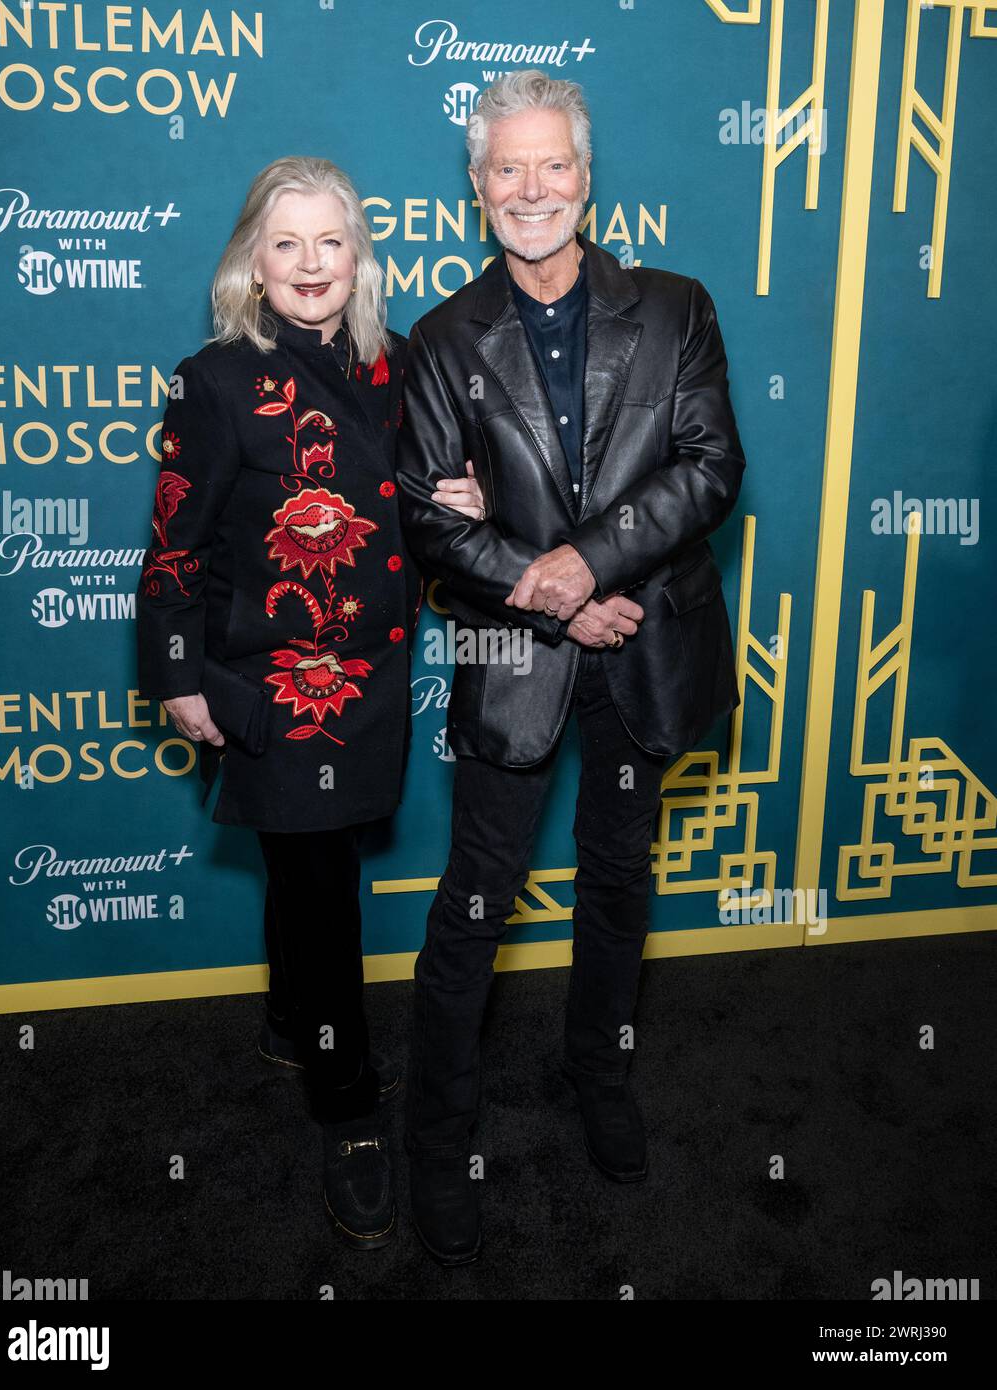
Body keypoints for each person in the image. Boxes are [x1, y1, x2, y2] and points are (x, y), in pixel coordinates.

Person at [395, 70, 746, 1266]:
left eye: (553, 166)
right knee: (474, 903)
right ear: (477, 186)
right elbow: (429, 521)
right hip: (511, 655)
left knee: (617, 880)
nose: (531, 188)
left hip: (639, 644)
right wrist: (549, 596)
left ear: (587, 181)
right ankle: (434, 1137)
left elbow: (707, 470)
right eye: (507, 168)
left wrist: (576, 572)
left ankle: (600, 1072)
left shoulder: (677, 308)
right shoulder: (442, 339)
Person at [134, 156, 484, 1251]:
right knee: (324, 887)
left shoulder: (395, 364)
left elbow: (410, 491)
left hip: (371, 677)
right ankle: (348, 1107)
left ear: (358, 256)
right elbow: (172, 548)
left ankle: (293, 1019)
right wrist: (180, 676)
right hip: (274, 685)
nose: (310, 263)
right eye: (286, 243)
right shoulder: (215, 378)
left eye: (330, 241)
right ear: (253, 260)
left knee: (310, 868)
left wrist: (462, 493)